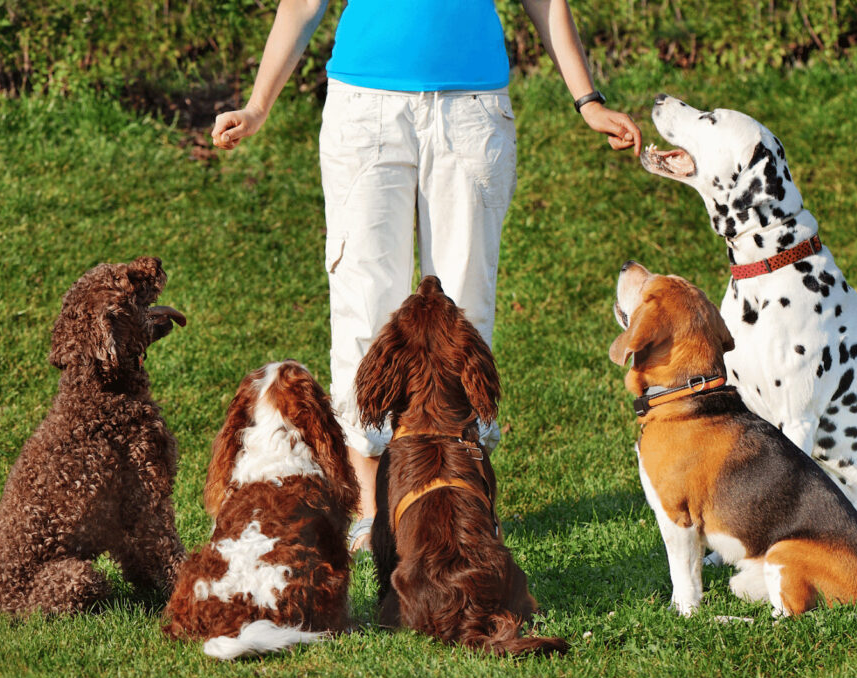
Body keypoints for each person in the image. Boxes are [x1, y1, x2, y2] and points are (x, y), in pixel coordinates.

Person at [212, 0, 642, 551]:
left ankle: (467, 494)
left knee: (465, 316)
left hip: (471, 111)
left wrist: (587, 101)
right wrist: (257, 105)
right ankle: (373, 509)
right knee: (364, 305)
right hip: (365, 110)